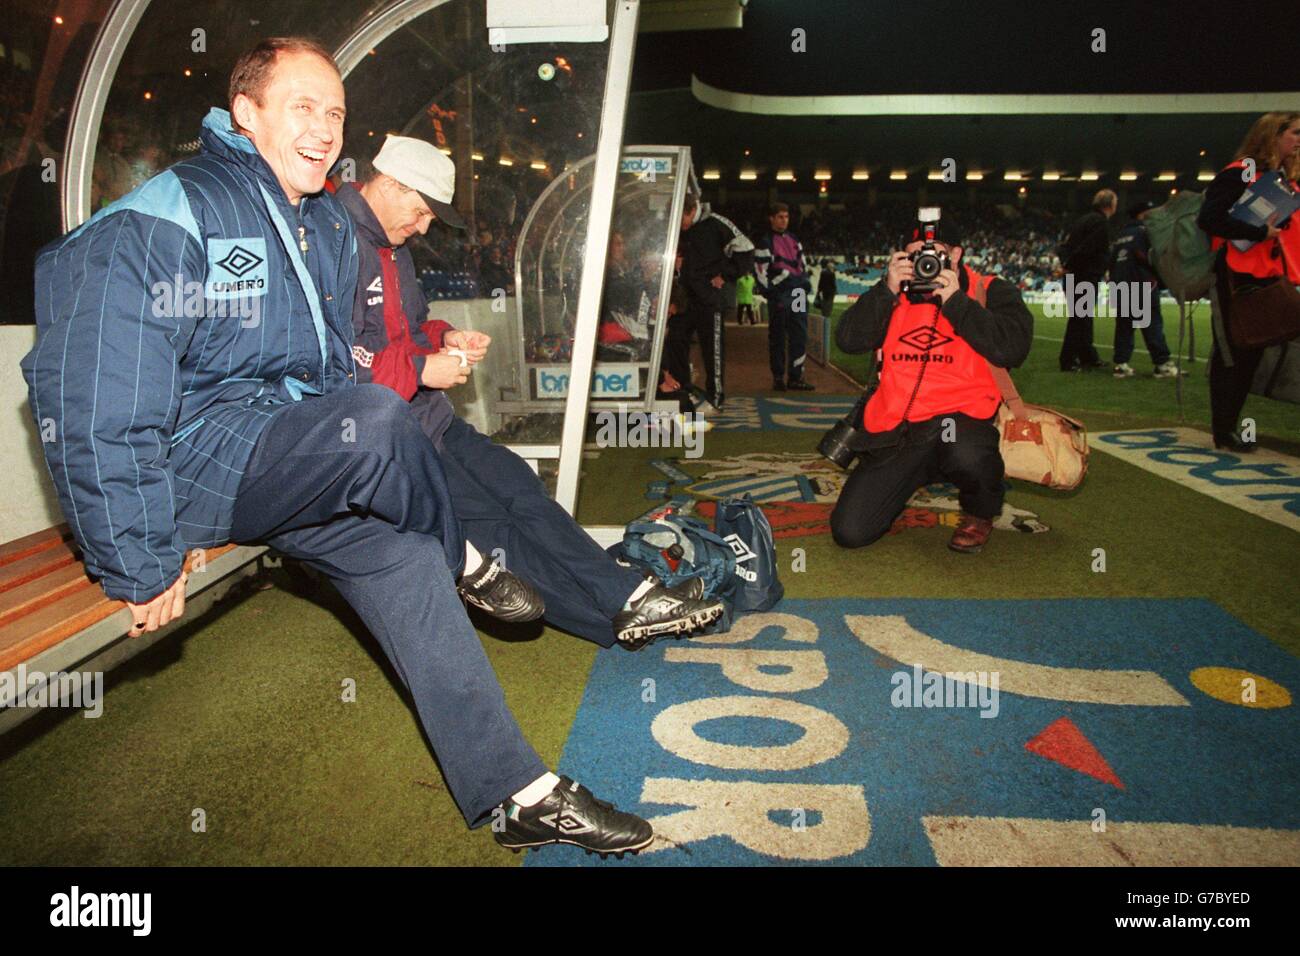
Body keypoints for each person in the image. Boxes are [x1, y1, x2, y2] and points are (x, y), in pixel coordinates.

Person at [21, 37, 654, 857]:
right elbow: (92, 390)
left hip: (275, 455)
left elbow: (314, 366)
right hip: (188, 470)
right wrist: (138, 557)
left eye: (335, 113)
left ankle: (517, 789)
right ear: (245, 113)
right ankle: (468, 559)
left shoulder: (300, 218)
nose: (324, 128)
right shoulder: (168, 213)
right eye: (302, 107)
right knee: (379, 422)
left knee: (402, 559)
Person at [337, 133, 724, 650]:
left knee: (520, 488)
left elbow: (411, 327)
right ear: (390, 183)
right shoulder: (333, 240)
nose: (424, 225)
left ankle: (631, 600)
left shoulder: (392, 247)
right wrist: (421, 368)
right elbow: (335, 361)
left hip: (431, 418)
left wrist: (446, 336)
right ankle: (621, 609)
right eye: (423, 210)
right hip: (394, 438)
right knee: (500, 531)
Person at [831, 215, 1033, 554]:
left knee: (968, 454)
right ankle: (914, 475)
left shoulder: (990, 289)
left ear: (955, 255)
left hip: (960, 424)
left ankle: (979, 510)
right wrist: (885, 290)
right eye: (912, 257)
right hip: (900, 430)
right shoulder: (894, 293)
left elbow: (1012, 347)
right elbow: (848, 340)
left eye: (932, 255)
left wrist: (956, 302)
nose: (922, 265)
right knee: (850, 532)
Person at [1197, 111, 1300, 452]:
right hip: (1236, 276)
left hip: (1269, 278)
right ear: (1273, 135)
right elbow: (1210, 218)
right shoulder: (1244, 171)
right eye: (1295, 133)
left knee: (1252, 354)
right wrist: (1257, 231)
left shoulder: (1284, 178)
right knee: (1236, 353)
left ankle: (1227, 428)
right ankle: (1223, 430)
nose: (1299, 141)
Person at [663, 193, 754, 409]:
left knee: (712, 349)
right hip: (686, 299)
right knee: (676, 338)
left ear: (691, 211)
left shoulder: (717, 224)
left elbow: (747, 249)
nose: (678, 224)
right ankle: (683, 389)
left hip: (710, 300)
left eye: (680, 219)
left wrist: (726, 275)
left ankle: (715, 399)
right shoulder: (682, 230)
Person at [1109, 200, 1182, 379]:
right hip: (1142, 284)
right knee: (1152, 325)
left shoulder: (1121, 234)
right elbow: (1150, 257)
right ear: (1143, 214)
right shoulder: (1146, 232)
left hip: (1121, 284)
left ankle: (1121, 364)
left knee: (1124, 326)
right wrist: (1164, 280)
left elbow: (1111, 261)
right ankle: (1162, 364)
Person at [755, 202, 815, 391]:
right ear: (771, 218)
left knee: (799, 335)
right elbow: (760, 272)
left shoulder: (794, 240)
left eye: (786, 217)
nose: (784, 220)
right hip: (780, 295)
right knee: (778, 337)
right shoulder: (765, 242)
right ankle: (779, 378)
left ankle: (796, 378)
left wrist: (804, 285)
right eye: (780, 216)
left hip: (797, 294)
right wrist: (772, 294)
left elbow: (802, 266)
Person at [1058, 189, 1116, 372]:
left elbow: (1065, 247)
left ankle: (1087, 356)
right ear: (1111, 205)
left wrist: (1066, 265)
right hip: (1084, 275)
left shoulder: (1083, 220)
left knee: (1082, 317)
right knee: (1080, 318)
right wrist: (1072, 265)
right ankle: (1067, 360)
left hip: (1075, 275)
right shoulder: (1100, 223)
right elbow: (1087, 249)